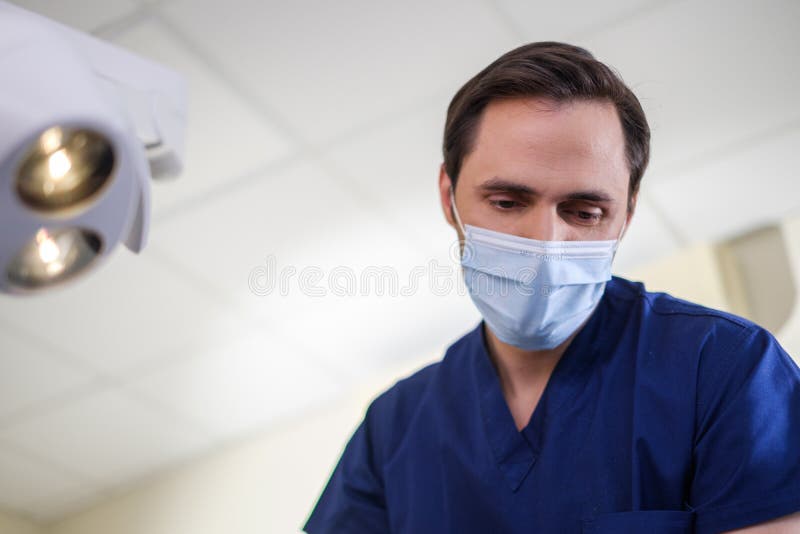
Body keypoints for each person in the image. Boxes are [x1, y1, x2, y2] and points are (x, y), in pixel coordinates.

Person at [303, 42, 800, 533]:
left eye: (584, 212)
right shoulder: (391, 434)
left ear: (626, 215)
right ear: (448, 197)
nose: (545, 243)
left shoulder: (724, 368)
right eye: (506, 202)